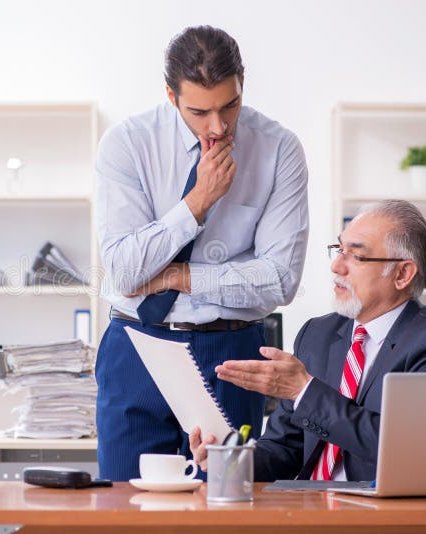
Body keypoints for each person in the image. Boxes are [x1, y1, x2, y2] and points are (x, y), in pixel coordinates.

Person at [94, 25, 309, 481]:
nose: (217, 126)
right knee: (124, 512)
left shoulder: (279, 150)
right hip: (137, 344)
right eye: (199, 111)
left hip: (232, 350)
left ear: (243, 82)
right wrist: (197, 203)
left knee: (226, 505)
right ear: (171, 96)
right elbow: (123, 269)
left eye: (229, 105)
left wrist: (180, 277)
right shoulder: (127, 144)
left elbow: (280, 281)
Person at [189, 199, 426, 482]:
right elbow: (284, 449)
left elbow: (409, 449)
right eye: (339, 250)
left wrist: (305, 391)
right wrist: (230, 461)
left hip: (376, 515)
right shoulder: (318, 334)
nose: (337, 266)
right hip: (308, 507)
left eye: (356, 257)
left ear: (402, 274)